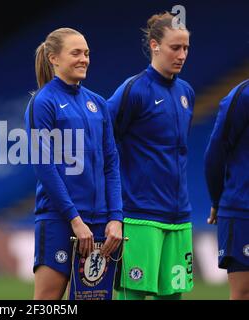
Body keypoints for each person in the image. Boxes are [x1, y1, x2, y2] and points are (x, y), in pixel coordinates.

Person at [24, 27, 123, 300]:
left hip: (100, 222)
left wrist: (115, 217)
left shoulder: (98, 103)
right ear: (53, 58)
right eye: (76, 53)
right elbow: (45, 166)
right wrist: (74, 220)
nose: (84, 59)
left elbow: (111, 163)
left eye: (87, 53)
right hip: (59, 220)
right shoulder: (43, 102)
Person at [106, 12, 194, 300]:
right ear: (155, 45)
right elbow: (104, 142)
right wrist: (113, 208)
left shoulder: (186, 93)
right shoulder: (134, 90)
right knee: (133, 296)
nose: (182, 55)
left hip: (179, 216)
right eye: (175, 47)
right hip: (140, 216)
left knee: (173, 296)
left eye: (186, 48)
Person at [204, 79, 249, 300]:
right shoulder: (242, 96)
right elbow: (215, 152)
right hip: (244, 210)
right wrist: (216, 200)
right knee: (244, 292)